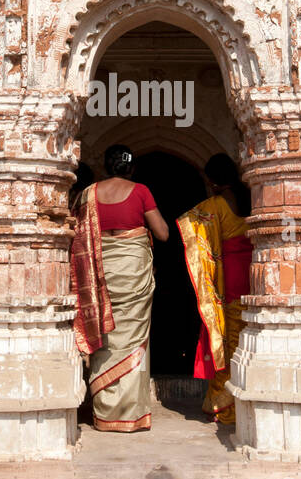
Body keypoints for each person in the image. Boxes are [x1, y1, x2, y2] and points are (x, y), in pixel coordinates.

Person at [69, 144, 169, 432]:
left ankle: (105, 413)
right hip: (133, 275)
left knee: (105, 335)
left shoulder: (88, 194)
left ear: (105, 166)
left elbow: (76, 236)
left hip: (100, 277)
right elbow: (162, 233)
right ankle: (129, 416)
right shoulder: (141, 192)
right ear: (132, 168)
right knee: (133, 340)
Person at [178, 152, 253, 426]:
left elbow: (190, 222)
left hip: (230, 274)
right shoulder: (251, 198)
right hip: (253, 271)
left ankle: (225, 407)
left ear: (212, 179)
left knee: (227, 338)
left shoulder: (218, 203)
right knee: (245, 334)